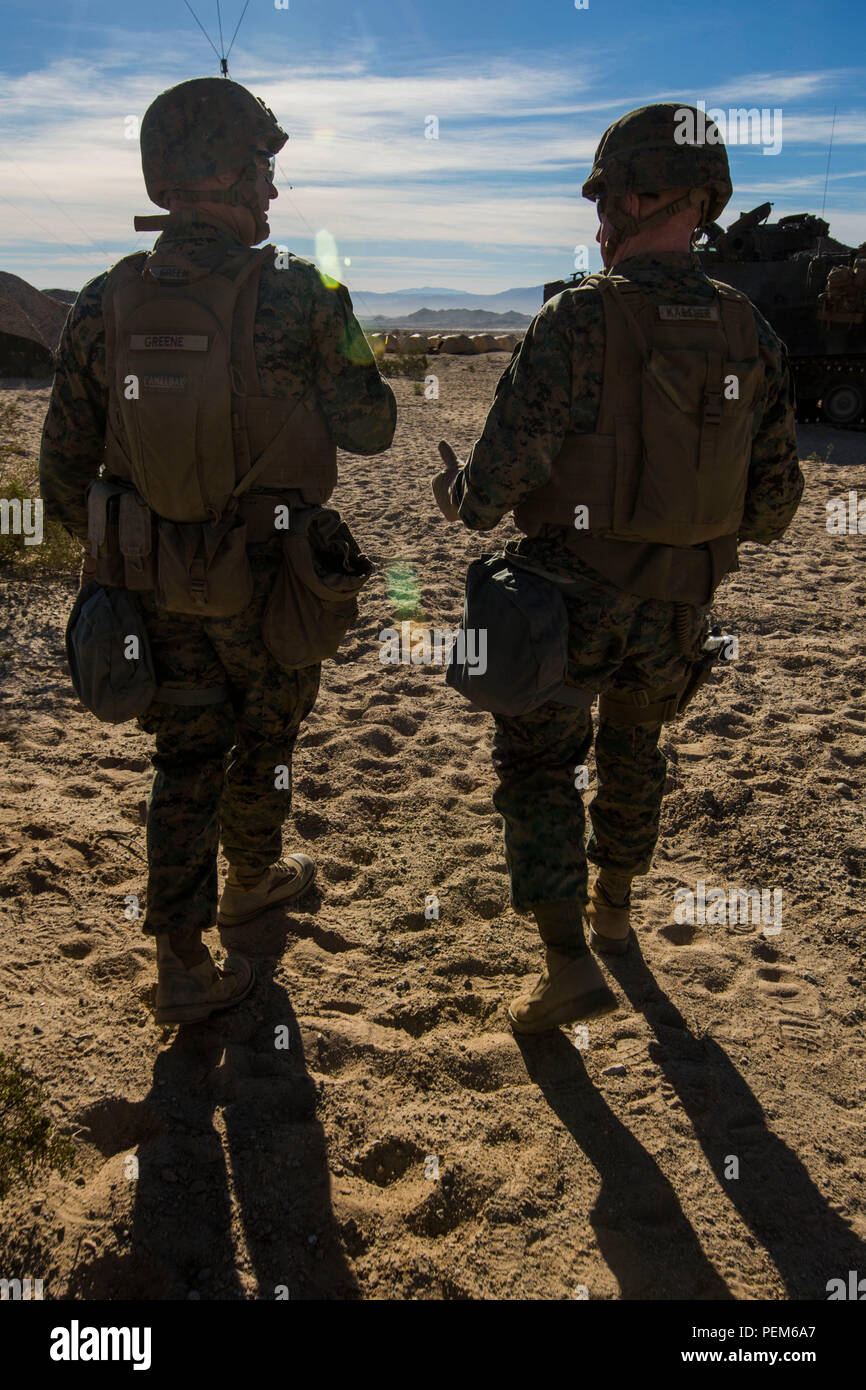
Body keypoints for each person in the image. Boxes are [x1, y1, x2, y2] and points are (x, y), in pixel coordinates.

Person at [433, 103, 803, 1034]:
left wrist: (459, 499)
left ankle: (565, 961)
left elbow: (495, 484)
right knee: (640, 752)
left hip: (566, 609)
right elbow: (773, 509)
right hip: (680, 609)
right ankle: (616, 915)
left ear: (643, 196)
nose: (599, 225)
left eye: (605, 202)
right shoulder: (751, 333)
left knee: (539, 769)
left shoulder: (576, 322)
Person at [39, 77, 396, 1025]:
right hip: (274, 588)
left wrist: (150, 543)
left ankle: (182, 965)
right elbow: (375, 428)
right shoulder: (308, 295)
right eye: (266, 170)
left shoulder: (100, 302)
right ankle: (252, 883)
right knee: (267, 743)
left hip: (153, 588)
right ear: (229, 175)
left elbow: (60, 479)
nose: (275, 193)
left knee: (185, 759)